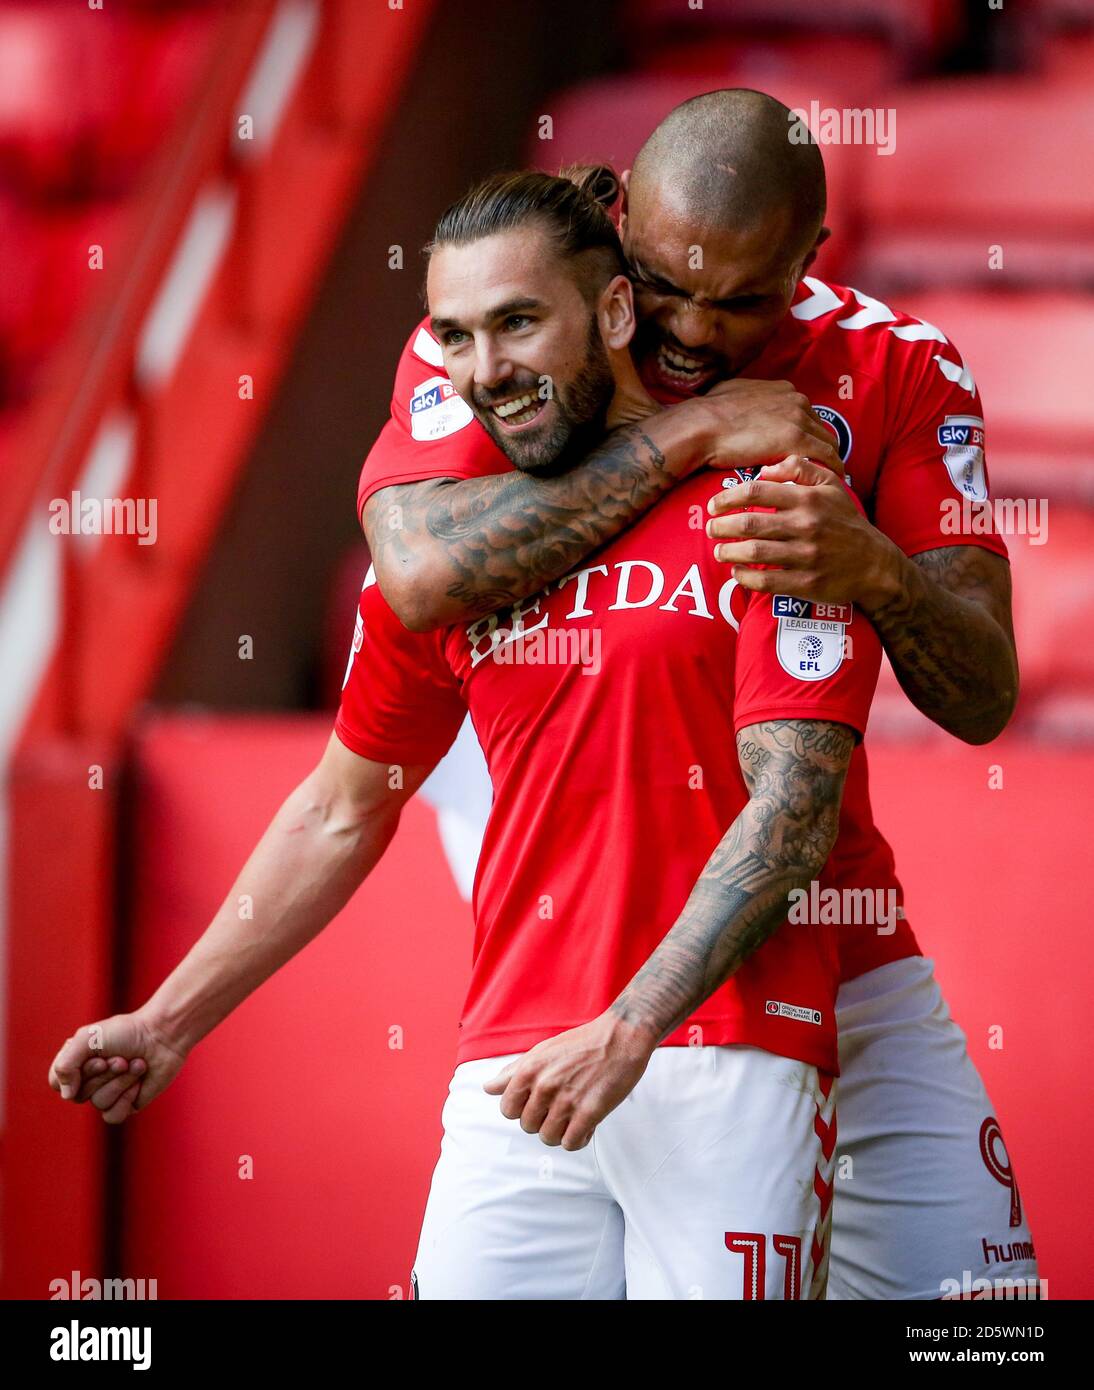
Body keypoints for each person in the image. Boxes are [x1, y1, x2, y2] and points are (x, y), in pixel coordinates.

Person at [51, 167, 883, 1300]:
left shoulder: (768, 498)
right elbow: (344, 807)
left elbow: (791, 816)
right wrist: (167, 1020)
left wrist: (629, 1026)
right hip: (512, 1075)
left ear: (615, 310)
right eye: (454, 335)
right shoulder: (450, 564)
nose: (485, 372)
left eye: (516, 324)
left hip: (725, 1051)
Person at [353, 90, 1034, 1302]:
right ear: (615, 226)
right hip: (585, 966)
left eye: (743, 303)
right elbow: (415, 572)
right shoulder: (504, 323)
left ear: (810, 262)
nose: (693, 335)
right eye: (665, 285)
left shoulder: (894, 368)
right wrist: (695, 431)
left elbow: (981, 693)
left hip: (825, 932)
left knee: (979, 1313)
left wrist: (869, 565)